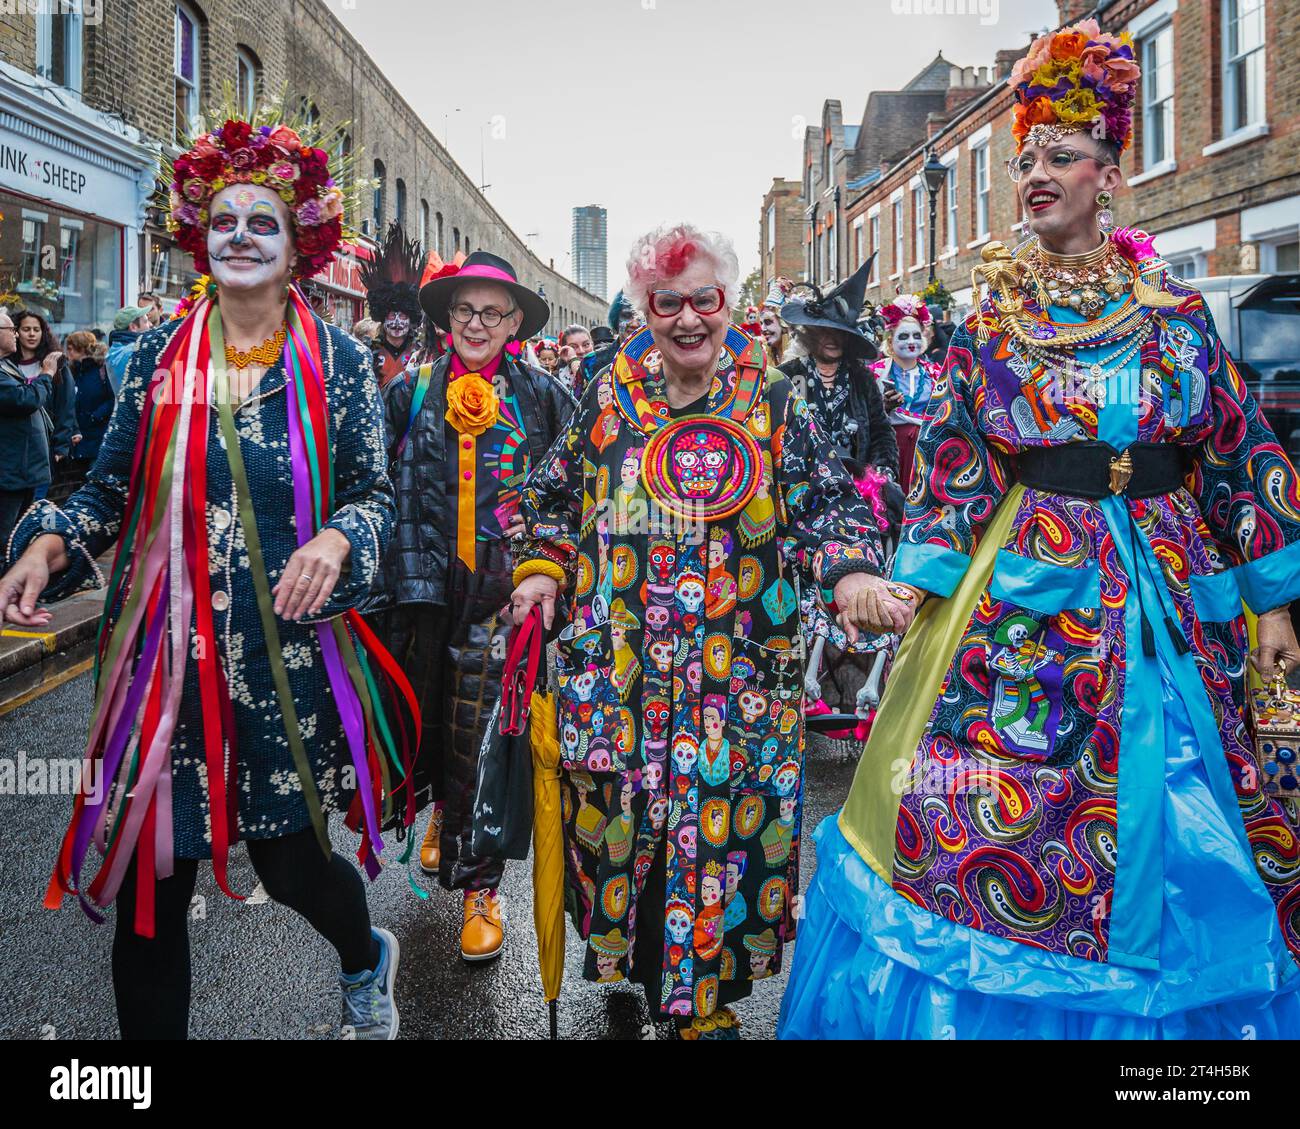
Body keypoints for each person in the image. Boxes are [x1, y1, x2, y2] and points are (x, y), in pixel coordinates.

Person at [778, 18, 1300, 1040]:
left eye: (1058, 155)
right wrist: (913, 582)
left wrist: (1273, 598)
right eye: (1023, 159)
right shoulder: (988, 323)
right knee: (986, 810)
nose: (1033, 174)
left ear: (1111, 171)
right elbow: (955, 466)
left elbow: (1237, 451)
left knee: (1190, 810)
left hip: (1169, 597)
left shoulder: (1176, 311)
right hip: (1025, 602)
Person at [0, 108, 416, 1040]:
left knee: (294, 865)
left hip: (285, 668)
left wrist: (339, 540)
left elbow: (376, 498)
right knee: (155, 875)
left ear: (296, 242)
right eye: (223, 220)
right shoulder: (155, 356)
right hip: (163, 661)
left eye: (261, 220)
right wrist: (49, 541)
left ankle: (363, 957)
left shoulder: (340, 363)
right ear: (199, 238)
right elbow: (109, 488)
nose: (239, 235)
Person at [509, 222, 892, 1037]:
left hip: (736, 677)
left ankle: (703, 1006)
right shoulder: (607, 394)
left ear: (730, 304)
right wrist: (542, 568)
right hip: (621, 672)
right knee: (624, 823)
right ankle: (644, 980)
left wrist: (852, 571)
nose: (688, 318)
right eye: (667, 301)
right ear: (644, 308)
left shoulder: (775, 400)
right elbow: (552, 499)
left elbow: (828, 505)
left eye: (704, 299)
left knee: (719, 834)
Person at [376, 250, 574, 961]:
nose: (478, 323)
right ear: (447, 317)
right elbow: (372, 479)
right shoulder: (412, 389)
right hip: (423, 587)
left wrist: (551, 571)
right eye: (465, 310)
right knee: (424, 721)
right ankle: (438, 815)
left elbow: (571, 492)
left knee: (482, 737)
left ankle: (479, 888)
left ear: (515, 320)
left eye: (493, 312)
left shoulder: (546, 394)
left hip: (505, 594)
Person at [778, 257, 899, 482]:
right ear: (812, 334)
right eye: (825, 332)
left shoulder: (862, 379)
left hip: (858, 489)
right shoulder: (787, 376)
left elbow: (882, 432)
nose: (832, 339)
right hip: (802, 487)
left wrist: (883, 471)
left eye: (839, 333)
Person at [868, 294, 943, 493]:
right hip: (888, 452)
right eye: (903, 336)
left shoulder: (936, 373)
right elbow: (860, 417)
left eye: (916, 336)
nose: (911, 341)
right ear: (891, 342)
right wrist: (882, 407)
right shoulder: (874, 373)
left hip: (925, 454)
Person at [0, 309, 56, 548]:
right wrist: (46, 375)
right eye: (11, 329)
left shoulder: (6, 367)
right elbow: (25, 400)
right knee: (5, 538)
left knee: (16, 536)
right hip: (10, 473)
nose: (15, 335)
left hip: (22, 470)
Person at [13, 310, 77, 485]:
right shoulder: (8, 365)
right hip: (14, 448)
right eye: (26, 329)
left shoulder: (56, 364)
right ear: (16, 332)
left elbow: (66, 406)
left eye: (36, 329)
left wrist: (61, 445)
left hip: (45, 447)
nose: (32, 334)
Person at [361, 222, 424, 389]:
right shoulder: (366, 353)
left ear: (411, 319)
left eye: (403, 316)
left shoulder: (421, 355)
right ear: (382, 316)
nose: (397, 322)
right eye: (391, 315)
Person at [61, 329, 115, 474]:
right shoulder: (73, 371)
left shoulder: (102, 369)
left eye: (71, 349)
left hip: (98, 436)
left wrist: (95, 416)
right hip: (79, 438)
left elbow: (113, 397)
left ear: (81, 348)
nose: (68, 353)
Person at [105, 304, 152, 395]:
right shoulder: (132, 352)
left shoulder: (116, 349)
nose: (150, 324)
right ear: (133, 327)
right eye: (145, 321)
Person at [758, 277, 794, 365]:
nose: (762, 328)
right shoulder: (761, 359)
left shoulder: (802, 361)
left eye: (768, 322)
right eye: (761, 323)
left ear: (783, 324)